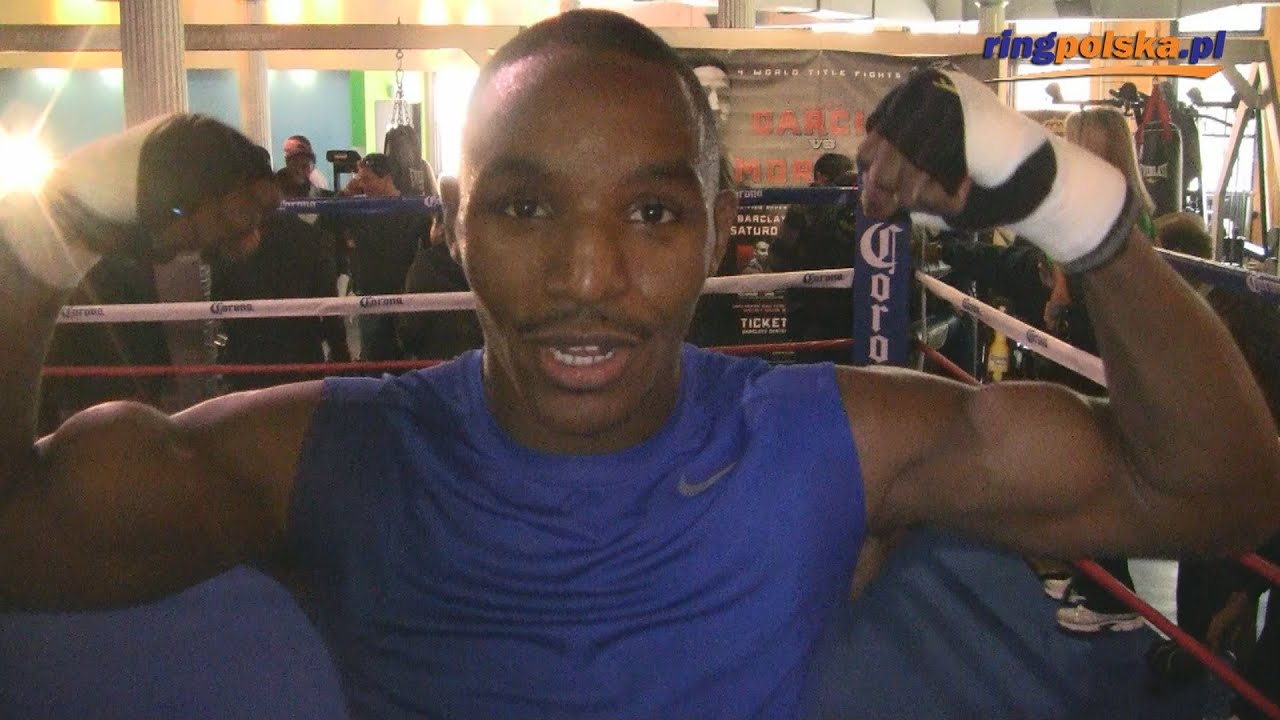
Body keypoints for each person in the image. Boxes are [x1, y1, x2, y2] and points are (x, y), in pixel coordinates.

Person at [1, 10, 1278, 720]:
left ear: (720, 230)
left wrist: (1075, 210)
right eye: (524, 208)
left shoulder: (834, 439)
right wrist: (36, 240)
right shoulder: (325, 458)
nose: (587, 277)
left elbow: (1214, 496)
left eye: (653, 214)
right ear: (451, 220)